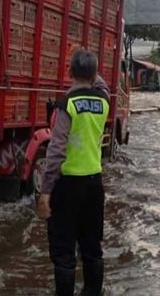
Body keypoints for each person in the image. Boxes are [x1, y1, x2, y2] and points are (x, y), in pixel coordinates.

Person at [36, 49, 110, 296]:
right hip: (94, 185)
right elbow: (102, 84)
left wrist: (46, 192)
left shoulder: (66, 104)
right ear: (94, 73)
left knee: (64, 251)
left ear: (69, 72)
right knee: (92, 247)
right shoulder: (104, 101)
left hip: (67, 186)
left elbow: (56, 150)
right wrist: (93, 74)